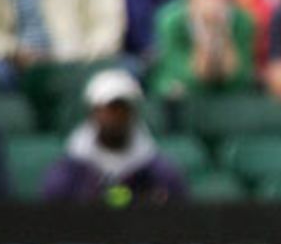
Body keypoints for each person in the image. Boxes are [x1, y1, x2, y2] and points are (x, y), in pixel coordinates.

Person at [42, 67, 187, 204]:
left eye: (122, 108)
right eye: (108, 109)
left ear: (133, 113)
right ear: (93, 112)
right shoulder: (69, 172)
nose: (115, 116)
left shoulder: (159, 174)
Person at [149, 0, 256, 98]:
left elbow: (238, 79)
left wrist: (220, 28)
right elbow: (190, 78)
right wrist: (205, 28)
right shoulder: (170, 20)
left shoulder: (243, 21)